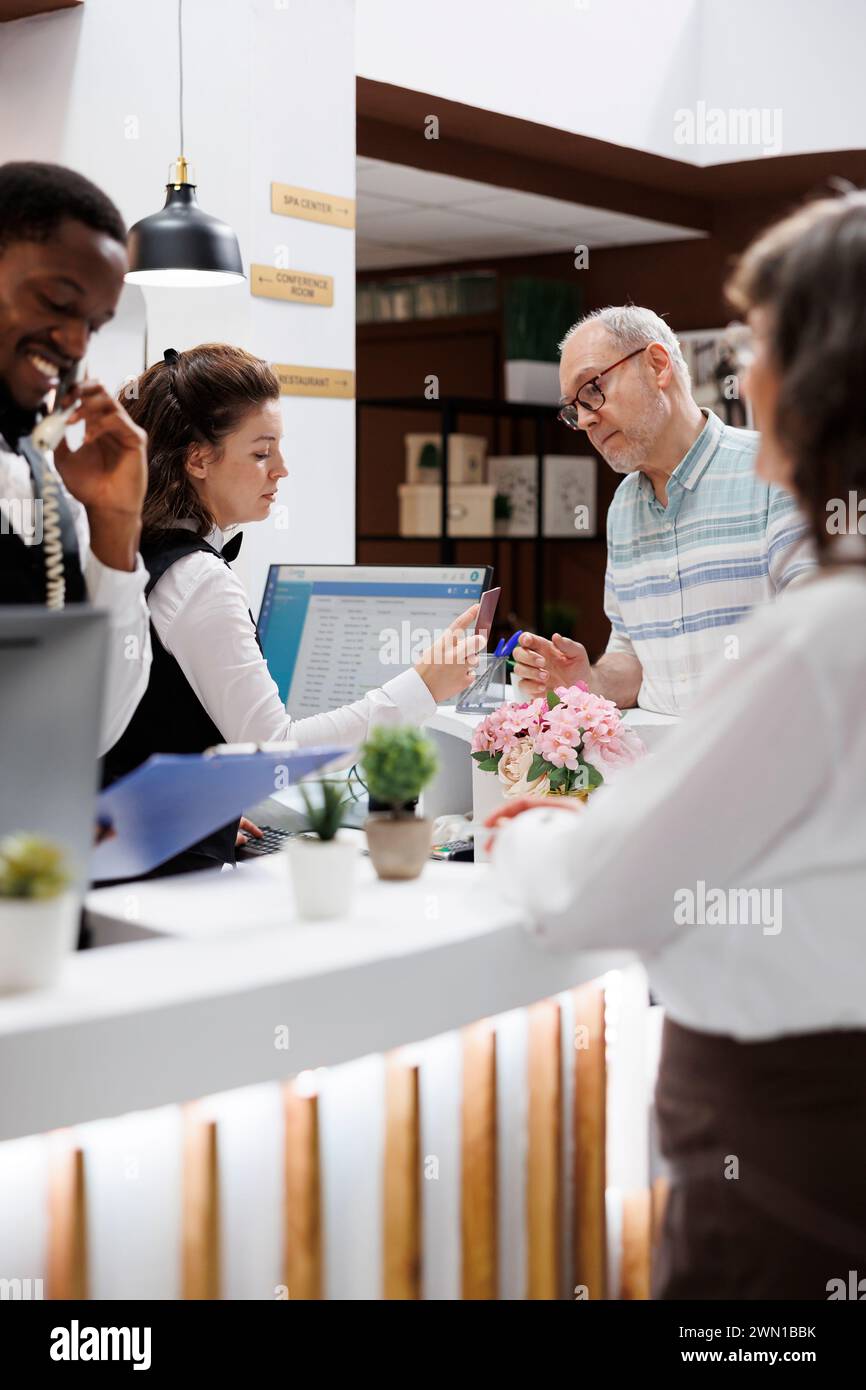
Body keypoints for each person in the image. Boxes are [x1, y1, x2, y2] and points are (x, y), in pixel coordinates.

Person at [486, 194, 866, 1299]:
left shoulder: (825, 626)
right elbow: (636, 667)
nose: (745, 378)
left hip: (790, 1129)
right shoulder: (634, 518)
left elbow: (589, 897)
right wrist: (582, 681)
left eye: (758, 350)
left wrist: (528, 831)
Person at [103, 343, 484, 874]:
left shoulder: (133, 551)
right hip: (157, 878)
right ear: (197, 459)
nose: (281, 470)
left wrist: (204, 813)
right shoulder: (198, 579)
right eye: (261, 452)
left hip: (119, 850)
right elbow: (276, 752)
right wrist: (424, 686)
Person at [513, 305, 813, 715]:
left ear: (657, 365)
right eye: (573, 408)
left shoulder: (777, 473)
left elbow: (818, 640)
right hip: (666, 764)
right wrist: (586, 682)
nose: (584, 419)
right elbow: (633, 656)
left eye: (593, 389)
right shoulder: (623, 507)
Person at [0, 161, 151, 752]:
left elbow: (93, 732)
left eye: (95, 324)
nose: (75, 343)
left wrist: (115, 523)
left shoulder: (36, 477)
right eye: (57, 302)